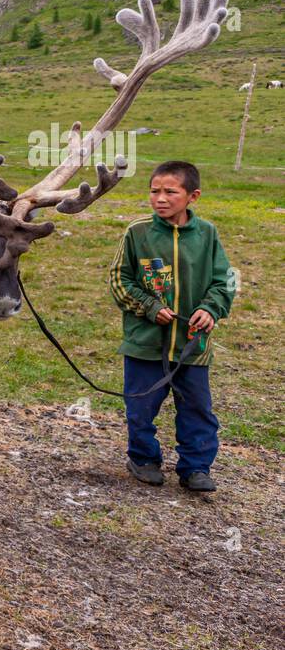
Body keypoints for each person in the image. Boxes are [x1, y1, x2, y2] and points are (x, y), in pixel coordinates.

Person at [108, 160, 234, 492]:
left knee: (197, 410)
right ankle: (144, 459)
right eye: (154, 191)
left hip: (193, 346)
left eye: (170, 192)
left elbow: (224, 281)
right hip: (145, 344)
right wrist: (150, 307)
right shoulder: (137, 233)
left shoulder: (207, 235)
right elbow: (120, 281)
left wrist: (211, 309)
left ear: (193, 196)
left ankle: (195, 467)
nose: (160, 198)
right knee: (140, 407)